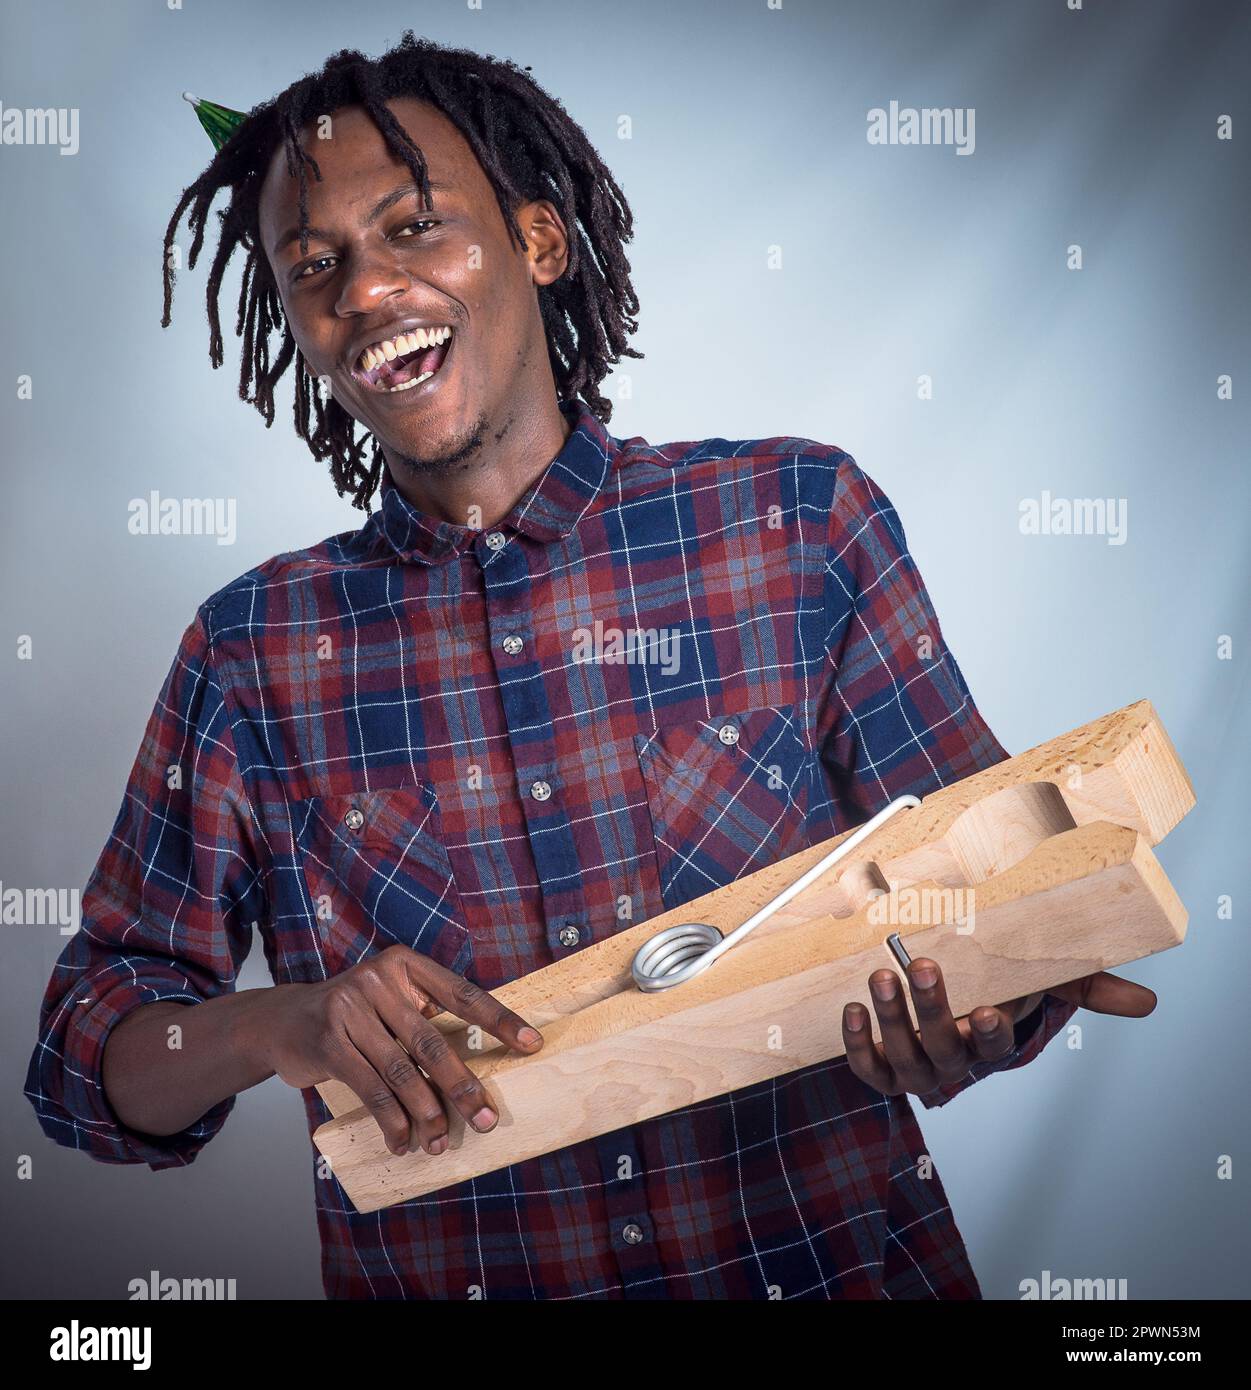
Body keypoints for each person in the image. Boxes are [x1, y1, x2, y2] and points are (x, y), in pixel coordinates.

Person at [25, 32, 1154, 1300]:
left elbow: (1003, 893)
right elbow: (85, 1057)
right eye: (316, 265)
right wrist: (281, 1020)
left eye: (414, 228)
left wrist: (984, 1015)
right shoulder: (250, 653)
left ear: (539, 243)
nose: (365, 291)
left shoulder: (796, 523)